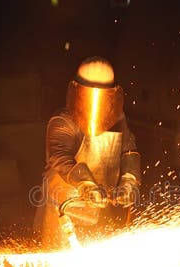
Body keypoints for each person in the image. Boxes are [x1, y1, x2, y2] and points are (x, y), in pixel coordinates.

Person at [33, 57, 141, 249]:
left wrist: (129, 182)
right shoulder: (62, 121)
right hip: (62, 215)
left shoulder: (117, 119)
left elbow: (129, 151)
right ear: (77, 91)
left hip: (99, 213)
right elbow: (61, 158)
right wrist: (87, 185)